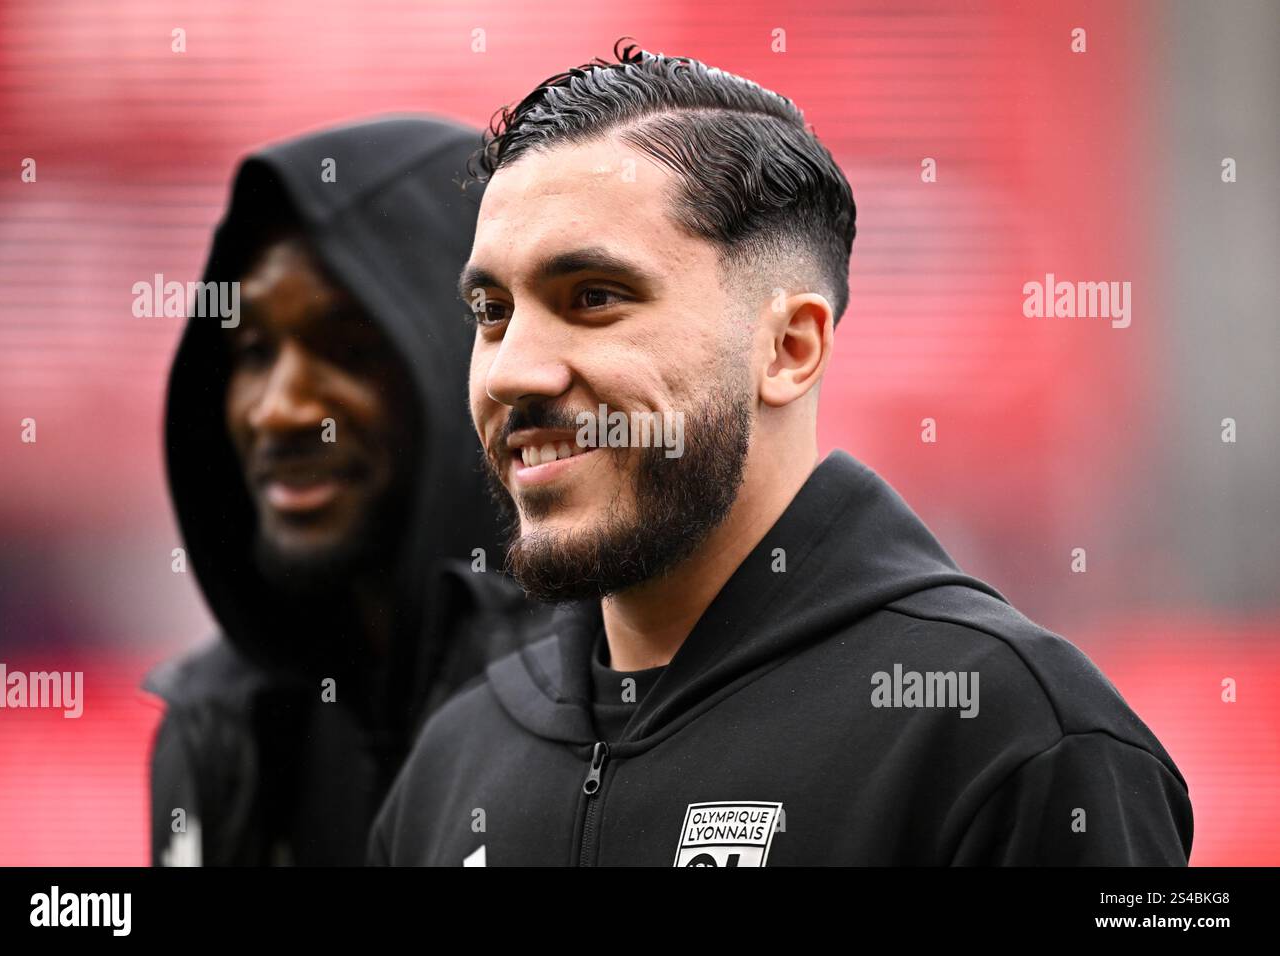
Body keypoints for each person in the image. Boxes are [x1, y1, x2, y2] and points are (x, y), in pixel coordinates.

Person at [368, 43, 1193, 866]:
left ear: (790, 348)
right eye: (492, 312)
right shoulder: (453, 764)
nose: (512, 371)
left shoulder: (1012, 736)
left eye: (594, 297)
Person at [145, 115, 535, 866]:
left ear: (475, 354)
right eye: (253, 351)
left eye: (351, 347)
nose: (279, 409)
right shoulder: (218, 727)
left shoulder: (608, 705)